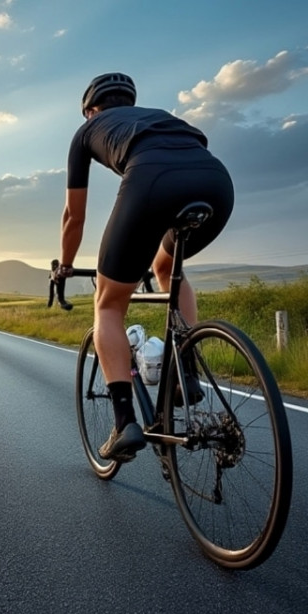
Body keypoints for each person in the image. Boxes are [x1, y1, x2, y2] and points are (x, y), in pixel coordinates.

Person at [55, 72, 234, 462]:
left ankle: (124, 424)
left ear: (90, 110)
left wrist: (65, 266)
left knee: (108, 305)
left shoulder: (86, 132)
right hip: (217, 182)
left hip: (152, 180)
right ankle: (184, 374)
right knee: (168, 269)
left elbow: (74, 217)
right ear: (129, 103)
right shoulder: (159, 116)